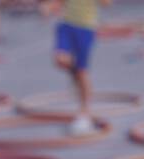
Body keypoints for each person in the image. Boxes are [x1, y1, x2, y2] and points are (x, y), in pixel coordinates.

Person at [45, 0, 113, 134]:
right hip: (66, 26)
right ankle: (75, 77)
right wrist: (49, 7)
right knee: (60, 60)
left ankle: (84, 113)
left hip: (85, 29)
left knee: (82, 72)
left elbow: (107, 3)